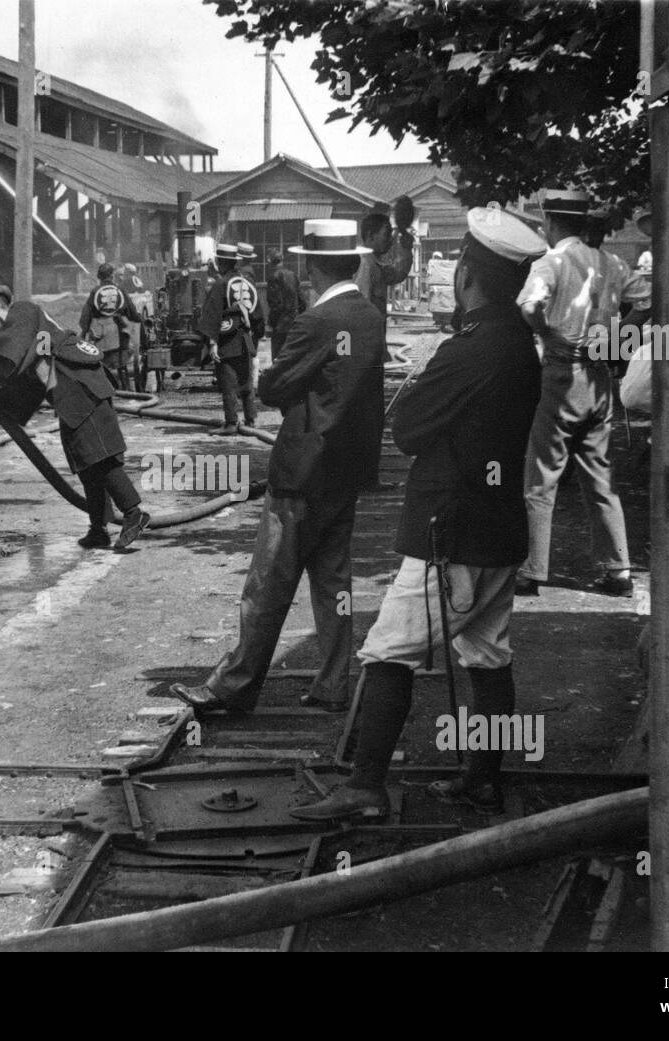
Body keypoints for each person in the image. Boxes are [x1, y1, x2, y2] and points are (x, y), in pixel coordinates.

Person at [290, 208, 548, 821]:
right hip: (500, 527)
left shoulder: (467, 351)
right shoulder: (519, 345)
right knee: (487, 654)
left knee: (388, 653)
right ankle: (482, 779)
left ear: (466, 275)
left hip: (450, 532)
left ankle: (365, 788)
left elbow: (404, 429)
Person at [170, 219, 384, 714]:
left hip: (302, 473)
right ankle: (333, 683)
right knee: (334, 585)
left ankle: (235, 687)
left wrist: (278, 380)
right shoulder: (369, 318)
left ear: (314, 267)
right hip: (346, 471)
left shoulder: (316, 323)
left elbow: (272, 388)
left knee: (268, 583)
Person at [514, 189, 634, 598]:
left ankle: (532, 570)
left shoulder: (552, 262)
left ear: (549, 222)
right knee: (599, 475)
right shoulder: (611, 262)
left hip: (563, 374)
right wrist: (617, 337)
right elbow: (649, 299)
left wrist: (548, 332)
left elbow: (529, 306)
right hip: (600, 375)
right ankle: (618, 570)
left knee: (541, 476)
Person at [0, 287, 150, 550]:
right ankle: (98, 528)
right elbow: (25, 385)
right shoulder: (33, 341)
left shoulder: (23, 310)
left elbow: (11, 341)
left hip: (82, 388)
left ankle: (134, 513)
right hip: (69, 396)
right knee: (85, 462)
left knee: (100, 456)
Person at [199, 243, 264, 435]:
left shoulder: (221, 284)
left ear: (220, 262)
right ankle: (251, 419)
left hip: (227, 339)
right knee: (246, 379)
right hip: (247, 338)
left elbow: (211, 316)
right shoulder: (248, 283)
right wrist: (255, 339)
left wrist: (212, 343)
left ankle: (231, 423)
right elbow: (258, 315)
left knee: (227, 381)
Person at [355, 207, 415, 353]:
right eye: (386, 235)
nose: (389, 240)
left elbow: (397, 274)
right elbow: (360, 309)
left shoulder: (374, 262)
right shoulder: (365, 264)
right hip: (366, 343)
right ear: (370, 236)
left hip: (374, 341)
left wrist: (406, 249)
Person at [79, 263, 142, 391]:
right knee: (122, 365)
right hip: (119, 336)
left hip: (100, 336)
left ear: (99, 277)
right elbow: (133, 315)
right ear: (112, 276)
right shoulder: (120, 291)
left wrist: (83, 332)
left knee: (100, 365)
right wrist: (138, 319)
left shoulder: (95, 292)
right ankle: (126, 389)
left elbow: (85, 317)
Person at [265, 248, 305, 361]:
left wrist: (270, 324)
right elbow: (302, 301)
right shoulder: (293, 275)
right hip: (294, 324)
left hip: (280, 326)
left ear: (269, 261)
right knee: (293, 358)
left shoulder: (273, 277)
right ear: (282, 260)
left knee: (278, 359)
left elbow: (275, 305)